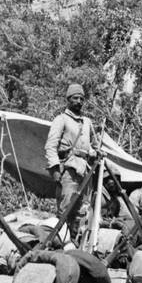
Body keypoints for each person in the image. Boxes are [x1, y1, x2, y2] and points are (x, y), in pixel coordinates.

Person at [45, 83, 100, 235]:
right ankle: (61, 239)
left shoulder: (87, 122)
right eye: (75, 98)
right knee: (66, 209)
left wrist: (94, 152)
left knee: (83, 209)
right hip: (69, 169)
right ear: (68, 99)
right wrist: (55, 168)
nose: (79, 101)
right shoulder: (61, 119)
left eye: (81, 99)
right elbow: (50, 146)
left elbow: (95, 145)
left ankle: (77, 241)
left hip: (85, 171)